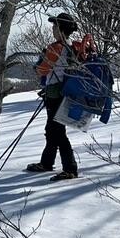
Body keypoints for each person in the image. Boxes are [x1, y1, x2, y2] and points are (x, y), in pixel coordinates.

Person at [26, 12, 86, 180]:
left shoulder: (55, 48)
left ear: (60, 29)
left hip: (54, 95)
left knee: (57, 132)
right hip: (65, 93)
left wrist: (41, 60)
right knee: (52, 130)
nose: (52, 29)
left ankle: (70, 169)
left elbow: (42, 70)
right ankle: (46, 162)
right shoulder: (71, 47)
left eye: (54, 26)